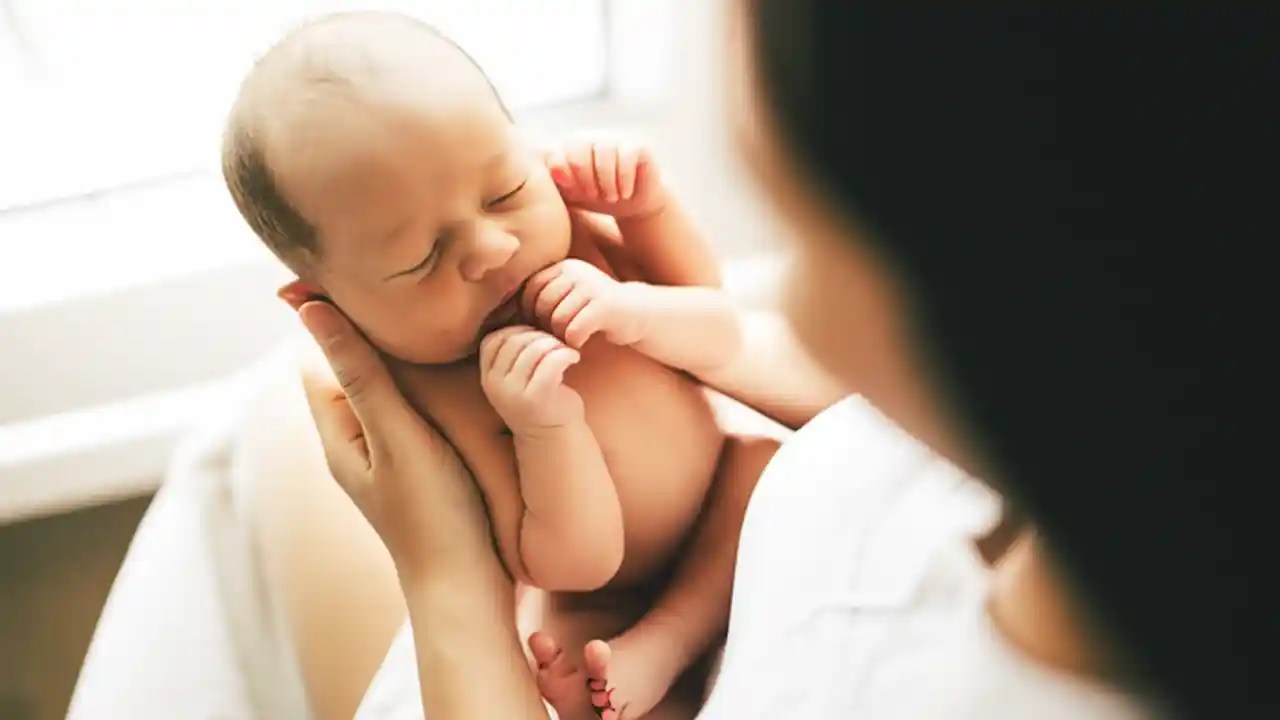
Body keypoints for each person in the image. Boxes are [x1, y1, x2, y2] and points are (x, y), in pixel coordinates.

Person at [288, 2, 1276, 718]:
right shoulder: (1048, 423)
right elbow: (769, 361)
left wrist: (445, 573)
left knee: (253, 461)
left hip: (550, 641)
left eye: (807, 231)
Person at [221, 12, 781, 718]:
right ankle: (646, 658)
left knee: (763, 462)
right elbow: (574, 564)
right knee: (570, 663)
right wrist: (545, 429)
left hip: (724, 480)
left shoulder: (576, 235)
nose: (490, 248)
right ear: (325, 301)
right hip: (603, 598)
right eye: (419, 259)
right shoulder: (433, 394)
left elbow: (716, 319)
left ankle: (666, 643)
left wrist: (645, 215)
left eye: (504, 193)